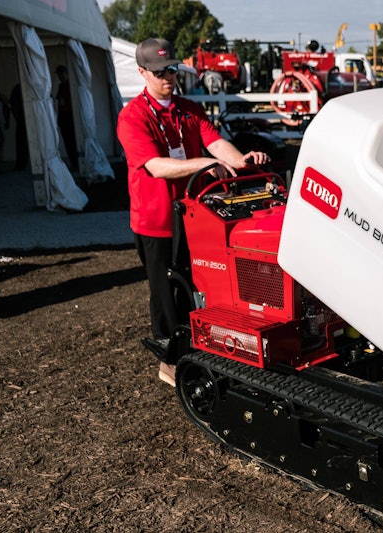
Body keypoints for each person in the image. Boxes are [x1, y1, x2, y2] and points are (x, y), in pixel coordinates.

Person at [116, 38, 270, 387]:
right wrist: (207, 163)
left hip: (195, 216)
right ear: (142, 72)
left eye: (171, 69)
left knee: (198, 283)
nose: (167, 77)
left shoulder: (188, 109)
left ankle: (200, 347)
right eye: (159, 72)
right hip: (155, 220)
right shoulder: (133, 117)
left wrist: (239, 160)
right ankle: (169, 358)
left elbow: (216, 142)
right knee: (164, 291)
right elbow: (155, 166)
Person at [55, 65, 79, 170]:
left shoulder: (71, 85)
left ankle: (76, 163)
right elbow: (59, 101)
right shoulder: (61, 86)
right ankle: (73, 162)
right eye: (59, 74)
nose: (60, 76)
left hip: (70, 116)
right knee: (68, 141)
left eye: (62, 73)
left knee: (72, 141)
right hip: (64, 116)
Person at [8, 83, 28, 171]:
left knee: (22, 142)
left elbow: (12, 105)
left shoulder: (19, 88)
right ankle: (21, 163)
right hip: (23, 119)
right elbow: (12, 105)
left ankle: (21, 163)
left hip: (24, 119)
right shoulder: (19, 88)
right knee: (22, 142)